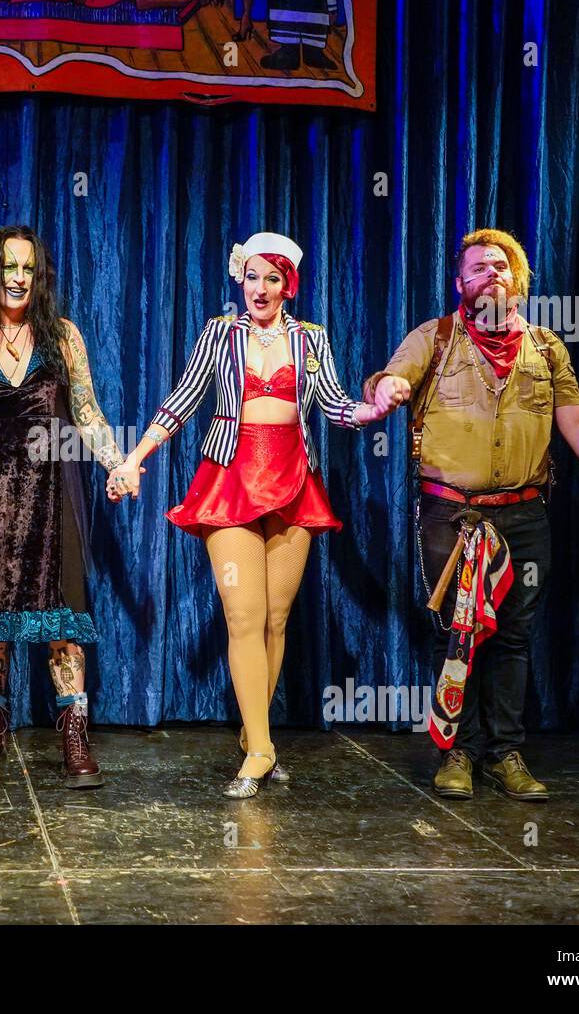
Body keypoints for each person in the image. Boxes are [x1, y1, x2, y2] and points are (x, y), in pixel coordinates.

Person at [362, 227, 579, 801]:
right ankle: (457, 753)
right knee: (461, 634)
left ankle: (504, 752)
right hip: (452, 515)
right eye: (479, 267)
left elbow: (576, 419)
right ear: (461, 282)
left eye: (501, 265)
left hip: (524, 515)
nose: (492, 272)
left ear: (517, 280)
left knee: (513, 636)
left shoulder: (545, 347)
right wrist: (387, 386)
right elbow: (389, 376)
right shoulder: (435, 338)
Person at [109, 232, 393, 798]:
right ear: (239, 279)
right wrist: (133, 460)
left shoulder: (312, 338)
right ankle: (262, 750)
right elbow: (184, 398)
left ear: (289, 284)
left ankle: (253, 734)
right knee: (243, 616)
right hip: (231, 478)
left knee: (274, 621)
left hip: (293, 481)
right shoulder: (221, 333)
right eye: (252, 277)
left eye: (272, 278)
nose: (260, 288)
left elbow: (335, 404)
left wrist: (372, 409)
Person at [0, 226, 123, 788]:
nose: (17, 278)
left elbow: (87, 411)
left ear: (39, 277)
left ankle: (74, 729)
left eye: (28, 269)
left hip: (50, 493)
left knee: (61, 607)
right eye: (8, 268)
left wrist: (117, 462)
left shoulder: (62, 336)